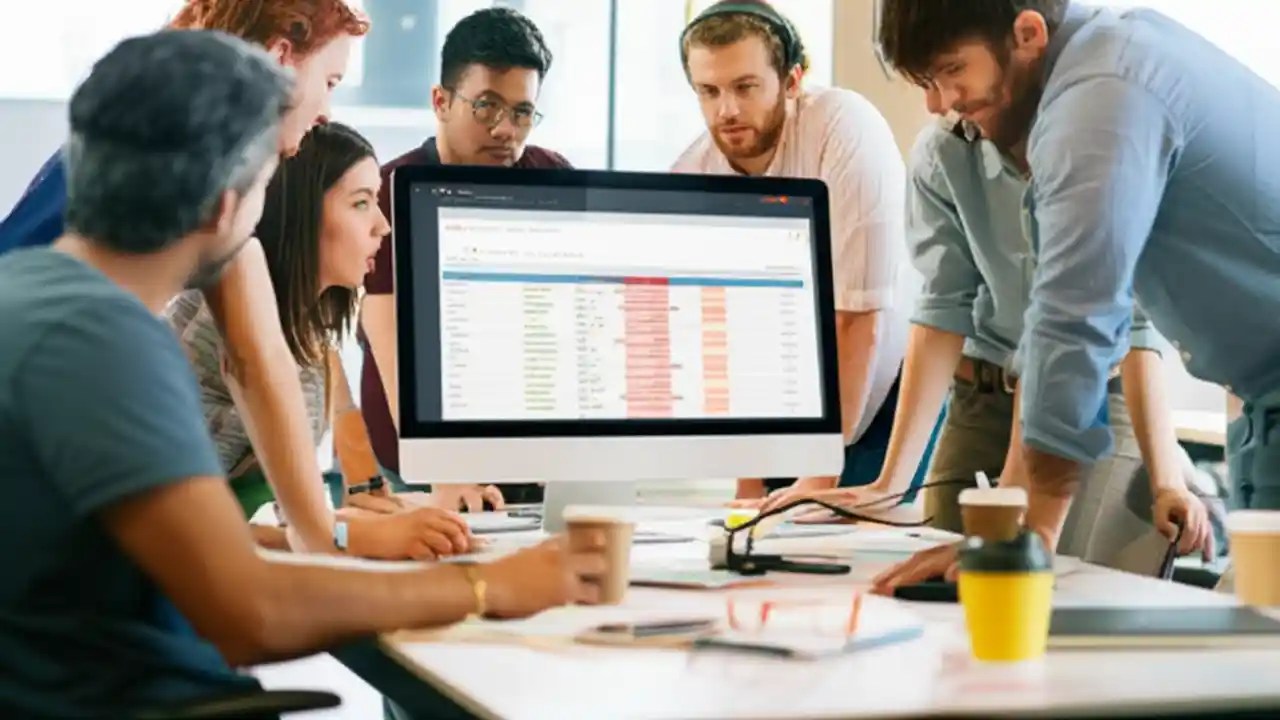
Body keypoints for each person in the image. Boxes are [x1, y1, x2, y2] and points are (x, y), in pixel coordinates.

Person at [0, 31, 603, 717]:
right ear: (225, 204)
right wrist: (486, 587)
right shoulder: (105, 340)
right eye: (267, 180)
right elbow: (249, 611)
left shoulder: (29, 293)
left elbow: (205, 552)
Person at [872, 0, 1280, 590]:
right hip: (1263, 403)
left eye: (952, 70)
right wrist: (1013, 520)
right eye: (928, 82)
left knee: (1255, 628)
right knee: (1258, 621)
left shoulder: (1104, 93)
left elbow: (1077, 319)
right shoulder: (1106, 67)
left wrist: (1027, 534)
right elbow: (1051, 324)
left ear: (1028, 33)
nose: (939, 103)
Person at [0, 0, 418, 556]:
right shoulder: (193, 196)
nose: (325, 111)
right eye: (330, 82)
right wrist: (479, 584)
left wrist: (324, 532)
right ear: (282, 59)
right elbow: (256, 363)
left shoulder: (147, 152)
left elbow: (261, 361)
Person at [763, 115, 1215, 565]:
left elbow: (1133, 329)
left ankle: (1180, 476)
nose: (935, 102)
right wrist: (889, 485)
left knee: (1047, 570)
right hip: (979, 397)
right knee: (936, 565)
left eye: (948, 80)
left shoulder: (1093, 146)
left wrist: (1167, 481)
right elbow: (942, 306)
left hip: (1093, 397)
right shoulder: (943, 150)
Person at [168, 121, 475, 558]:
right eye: (361, 203)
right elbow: (177, 530)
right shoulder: (218, 325)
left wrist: (380, 508)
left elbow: (297, 518)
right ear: (301, 212)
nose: (383, 226)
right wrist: (359, 536)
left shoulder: (304, 324)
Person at [672, 0, 935, 505]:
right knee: (766, 530)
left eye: (745, 87)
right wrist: (748, 486)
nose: (726, 111)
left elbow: (858, 317)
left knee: (857, 532)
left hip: (891, 383)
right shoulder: (691, 175)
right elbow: (730, 340)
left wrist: (818, 478)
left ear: (792, 81)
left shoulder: (845, 128)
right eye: (709, 91)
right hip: (785, 398)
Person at [360, 7, 572, 510]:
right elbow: (388, 337)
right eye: (487, 107)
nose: (505, 130)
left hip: (532, 464)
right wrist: (443, 469)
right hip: (418, 471)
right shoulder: (389, 190)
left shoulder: (552, 178)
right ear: (441, 101)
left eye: (522, 112)